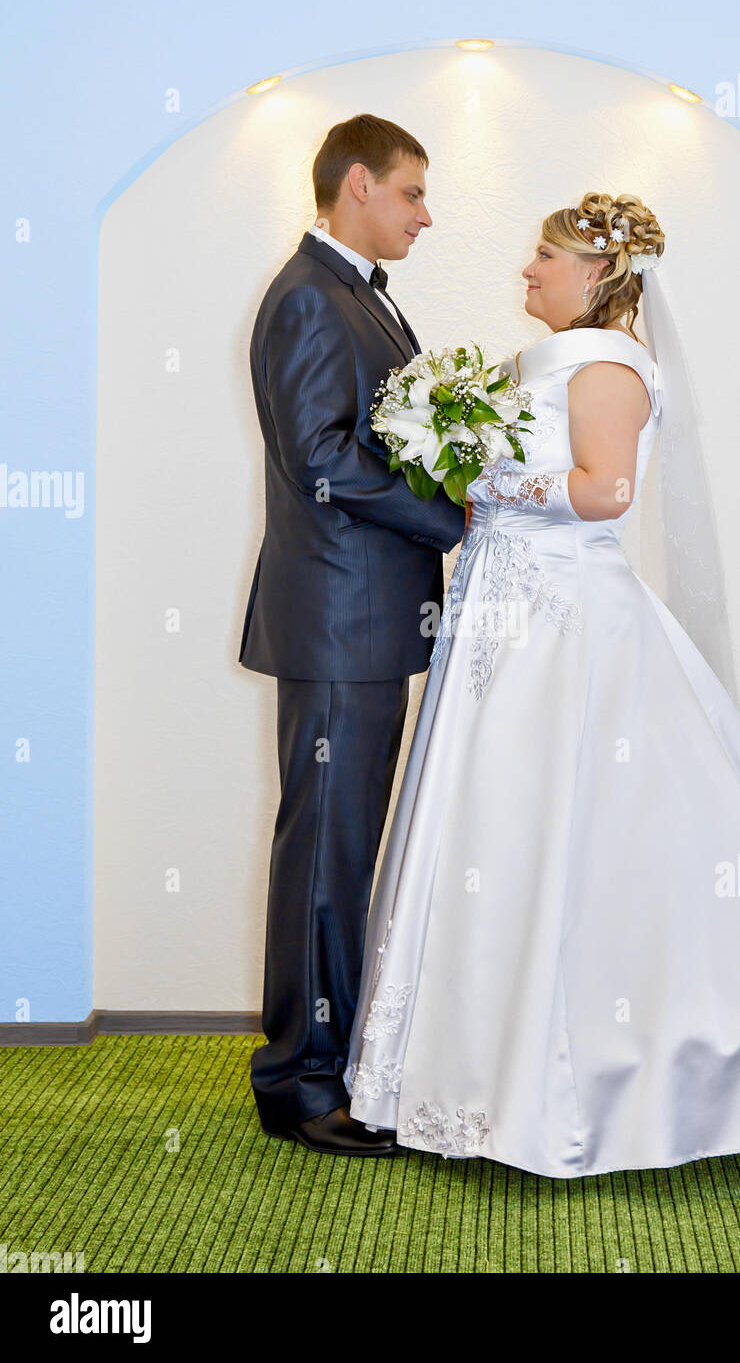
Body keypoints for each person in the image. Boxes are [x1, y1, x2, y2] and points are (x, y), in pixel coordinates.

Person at [342, 190, 740, 1176]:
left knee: (571, 830)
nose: (525, 271)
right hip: (504, 613)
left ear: (597, 274)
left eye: (542, 257)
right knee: (500, 830)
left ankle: (589, 1080)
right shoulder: (545, 359)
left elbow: (605, 492)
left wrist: (482, 478)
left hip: (563, 624)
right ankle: (468, 1079)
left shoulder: (604, 362)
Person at [239, 114, 465, 1155]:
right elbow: (319, 458)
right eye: (412, 193)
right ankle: (298, 1085)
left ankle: (329, 1061)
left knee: (343, 853)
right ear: (359, 185)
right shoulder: (307, 299)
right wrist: (450, 518)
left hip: (367, 622)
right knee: (327, 858)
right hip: (339, 625)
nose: (425, 213)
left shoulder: (356, 297)